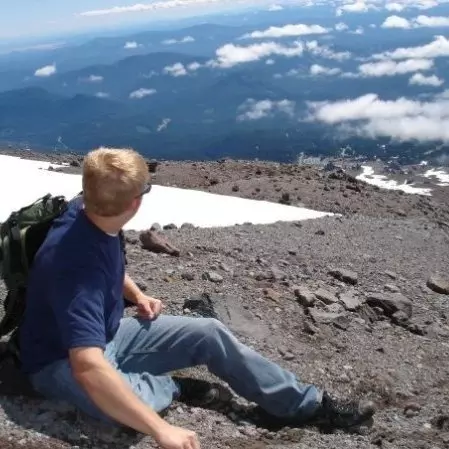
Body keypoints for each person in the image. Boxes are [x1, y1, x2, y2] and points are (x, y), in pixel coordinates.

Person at [19, 147, 375, 449]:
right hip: (57, 364)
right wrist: (161, 431)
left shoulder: (89, 209)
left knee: (208, 330)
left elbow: (104, 263)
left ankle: (304, 404)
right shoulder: (76, 271)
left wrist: (137, 294)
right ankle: (171, 387)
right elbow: (87, 366)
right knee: (132, 405)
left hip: (109, 334)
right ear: (135, 203)